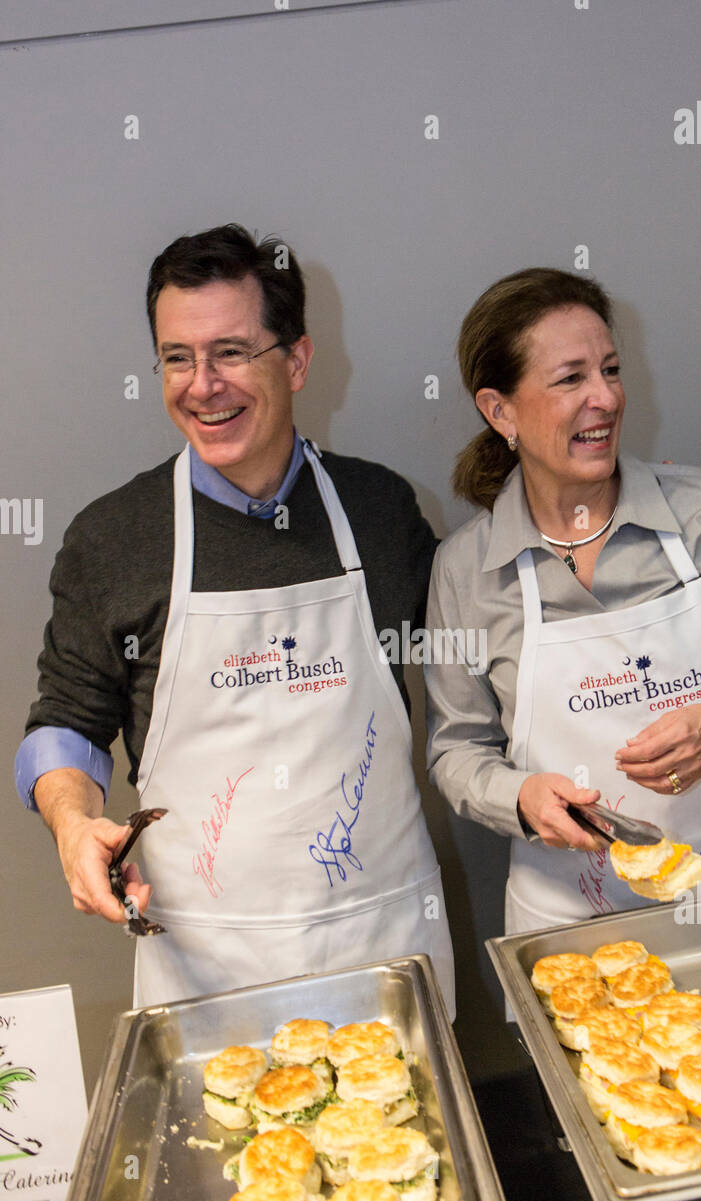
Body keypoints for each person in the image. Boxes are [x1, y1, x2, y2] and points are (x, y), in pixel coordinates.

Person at [16, 223, 455, 1013]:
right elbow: (67, 722)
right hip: (208, 968)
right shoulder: (113, 538)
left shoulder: (381, 513)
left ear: (296, 359)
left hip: (385, 947)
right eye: (177, 357)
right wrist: (73, 822)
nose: (202, 384)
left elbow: (479, 665)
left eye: (231, 352)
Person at [424, 267, 701, 937]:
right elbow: (458, 750)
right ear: (500, 410)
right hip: (579, 932)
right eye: (571, 379)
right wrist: (520, 796)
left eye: (611, 371)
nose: (607, 399)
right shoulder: (466, 570)